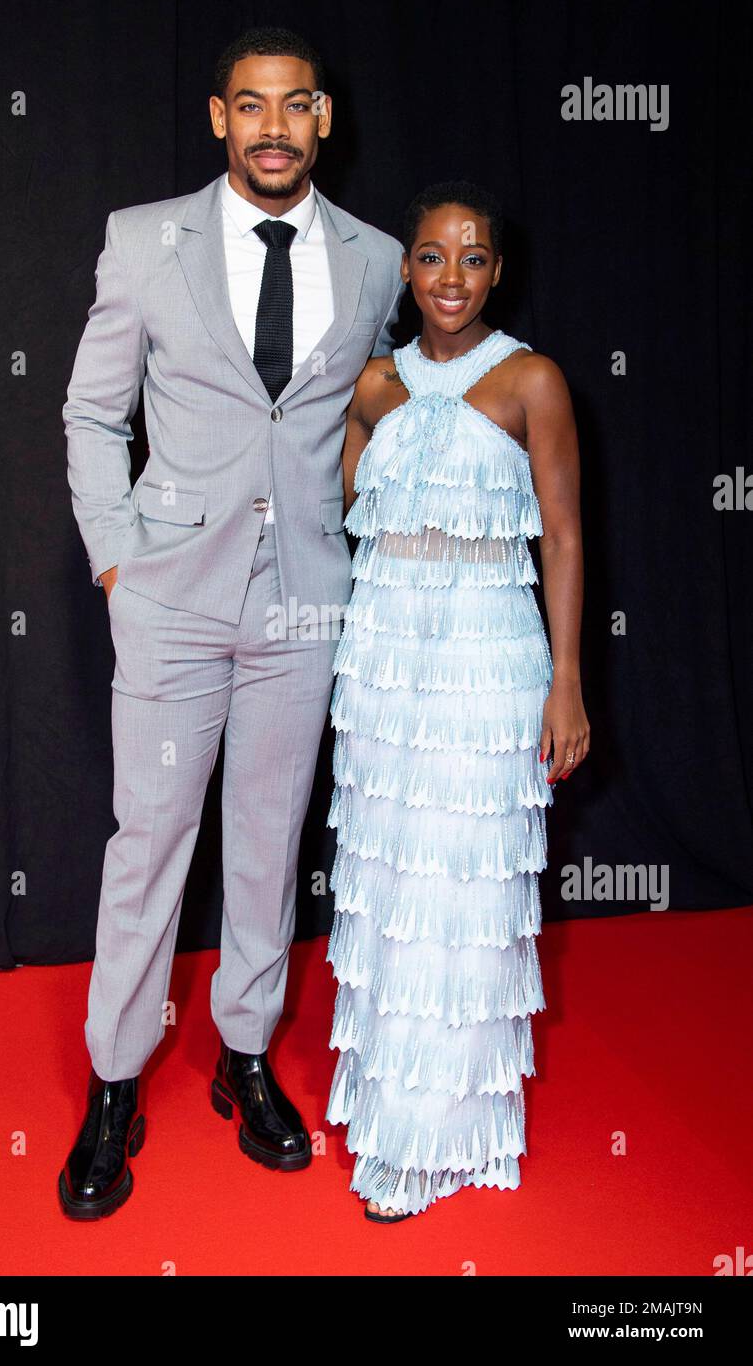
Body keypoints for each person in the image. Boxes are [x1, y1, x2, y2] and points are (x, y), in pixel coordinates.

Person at [58, 25, 406, 1219]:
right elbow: (91, 416)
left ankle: (244, 1058)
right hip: (170, 600)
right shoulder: (143, 239)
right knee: (145, 846)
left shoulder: (372, 260)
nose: (271, 127)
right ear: (219, 119)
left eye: (293, 105)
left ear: (322, 119)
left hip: (306, 605)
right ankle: (113, 1085)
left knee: (268, 841)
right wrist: (118, 564)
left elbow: (380, 412)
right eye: (248, 105)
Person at [324, 180, 589, 1221]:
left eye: (471, 259)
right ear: (405, 268)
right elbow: (346, 511)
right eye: (431, 257)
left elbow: (562, 536)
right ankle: (391, 1114)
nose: (449, 277)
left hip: (487, 660)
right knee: (387, 887)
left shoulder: (531, 379)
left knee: (463, 893)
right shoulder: (372, 383)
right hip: (386, 662)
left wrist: (565, 680)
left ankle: (441, 1139)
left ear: (495, 272)